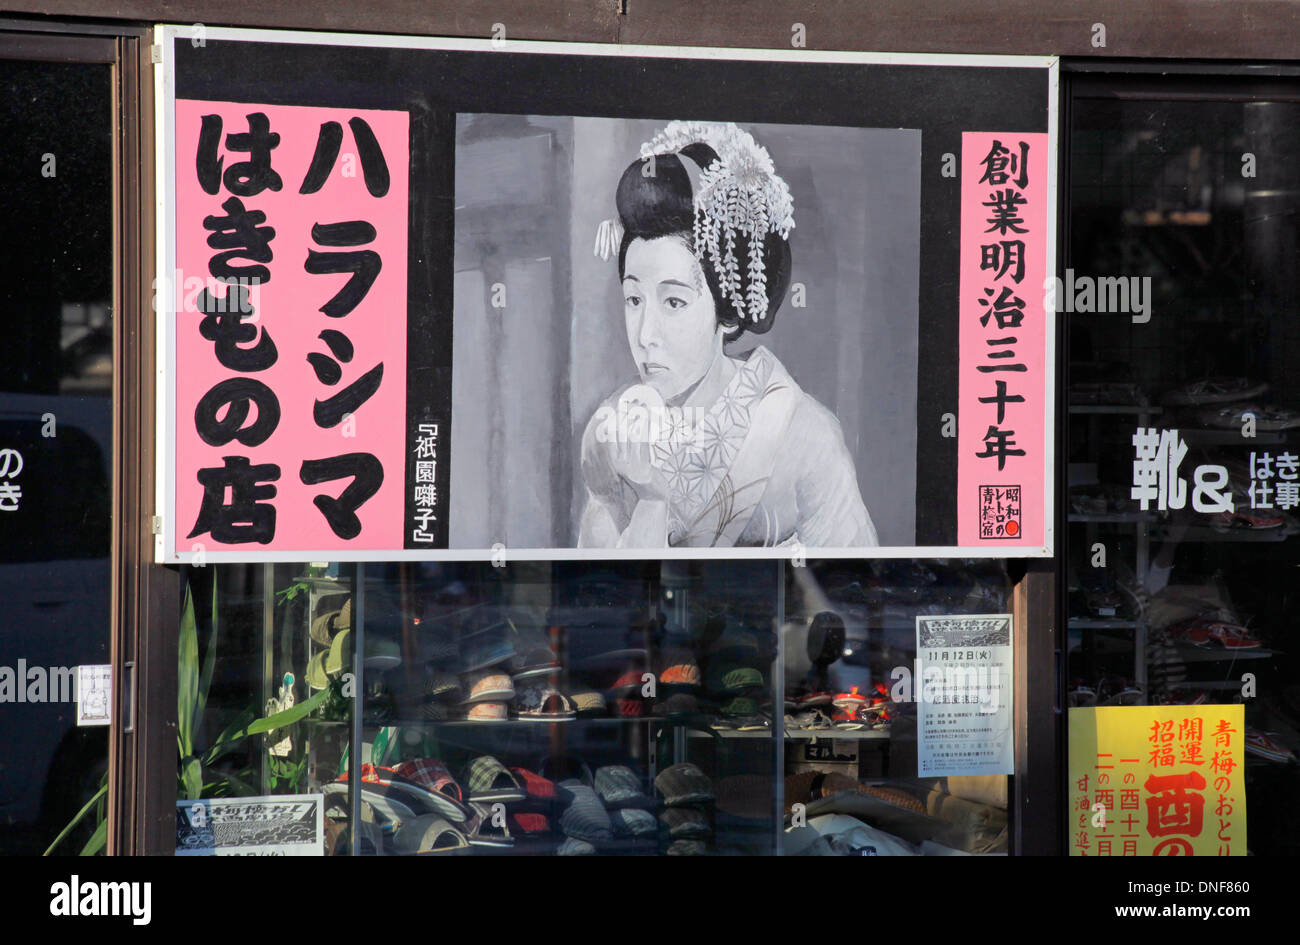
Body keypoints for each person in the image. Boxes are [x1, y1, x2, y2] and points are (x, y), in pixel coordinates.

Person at [579, 121, 877, 549]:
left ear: (729, 313)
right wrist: (649, 497)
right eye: (633, 299)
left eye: (674, 302)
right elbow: (596, 597)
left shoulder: (803, 436)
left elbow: (855, 592)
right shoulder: (611, 431)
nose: (646, 335)